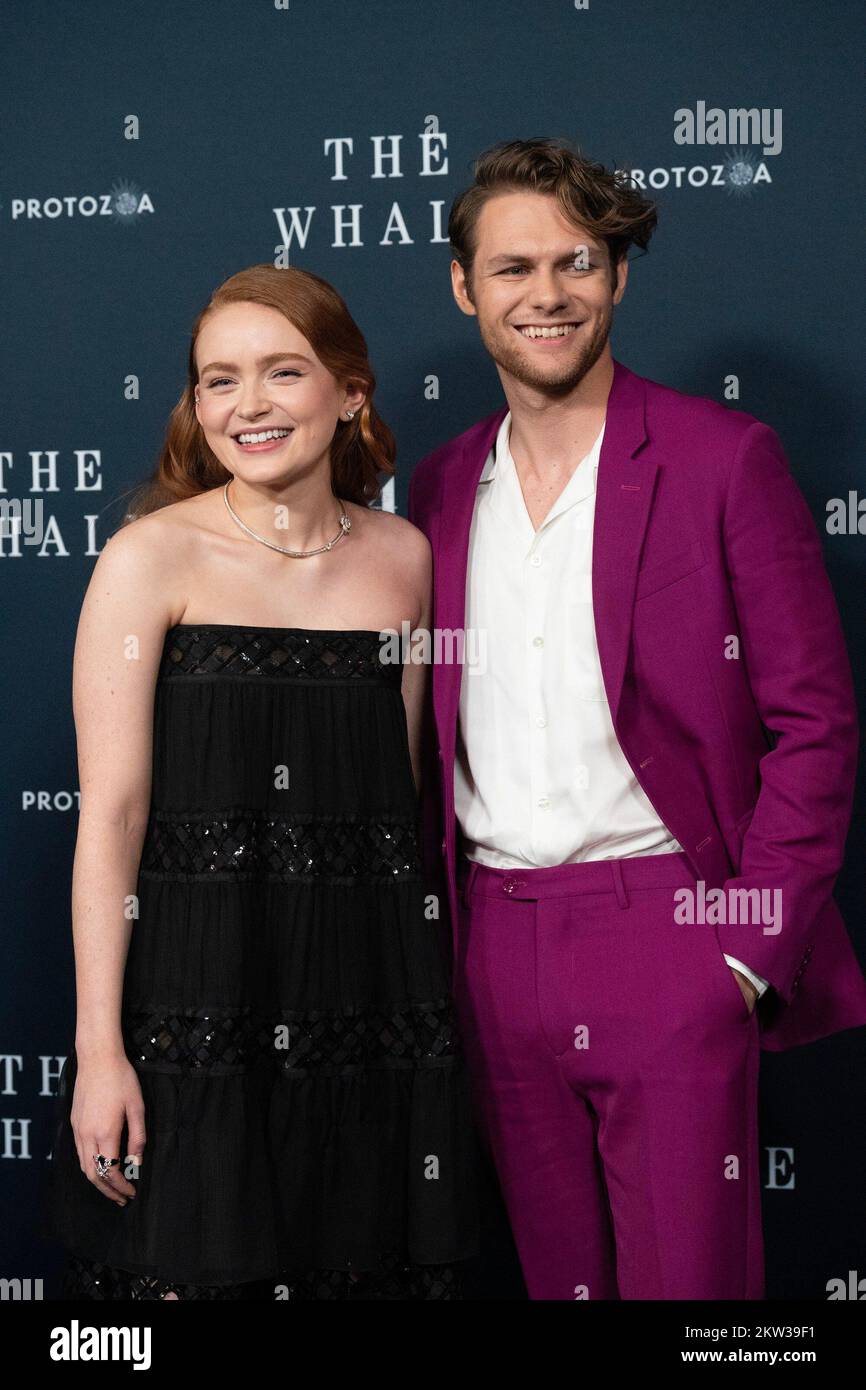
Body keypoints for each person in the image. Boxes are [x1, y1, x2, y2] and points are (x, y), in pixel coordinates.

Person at [407, 137, 866, 1300]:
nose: (545, 295)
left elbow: (813, 723)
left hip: (668, 928)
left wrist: (743, 956)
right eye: (511, 269)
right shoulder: (441, 486)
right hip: (494, 945)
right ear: (465, 288)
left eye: (575, 262)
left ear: (617, 276)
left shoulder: (722, 460)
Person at [45, 263, 478, 1299]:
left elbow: (396, 808)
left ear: (350, 390)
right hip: (195, 1001)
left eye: (282, 372)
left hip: (364, 1004)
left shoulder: (404, 560)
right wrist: (100, 1049)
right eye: (218, 380)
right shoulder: (147, 559)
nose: (249, 405)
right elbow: (109, 817)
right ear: (196, 405)